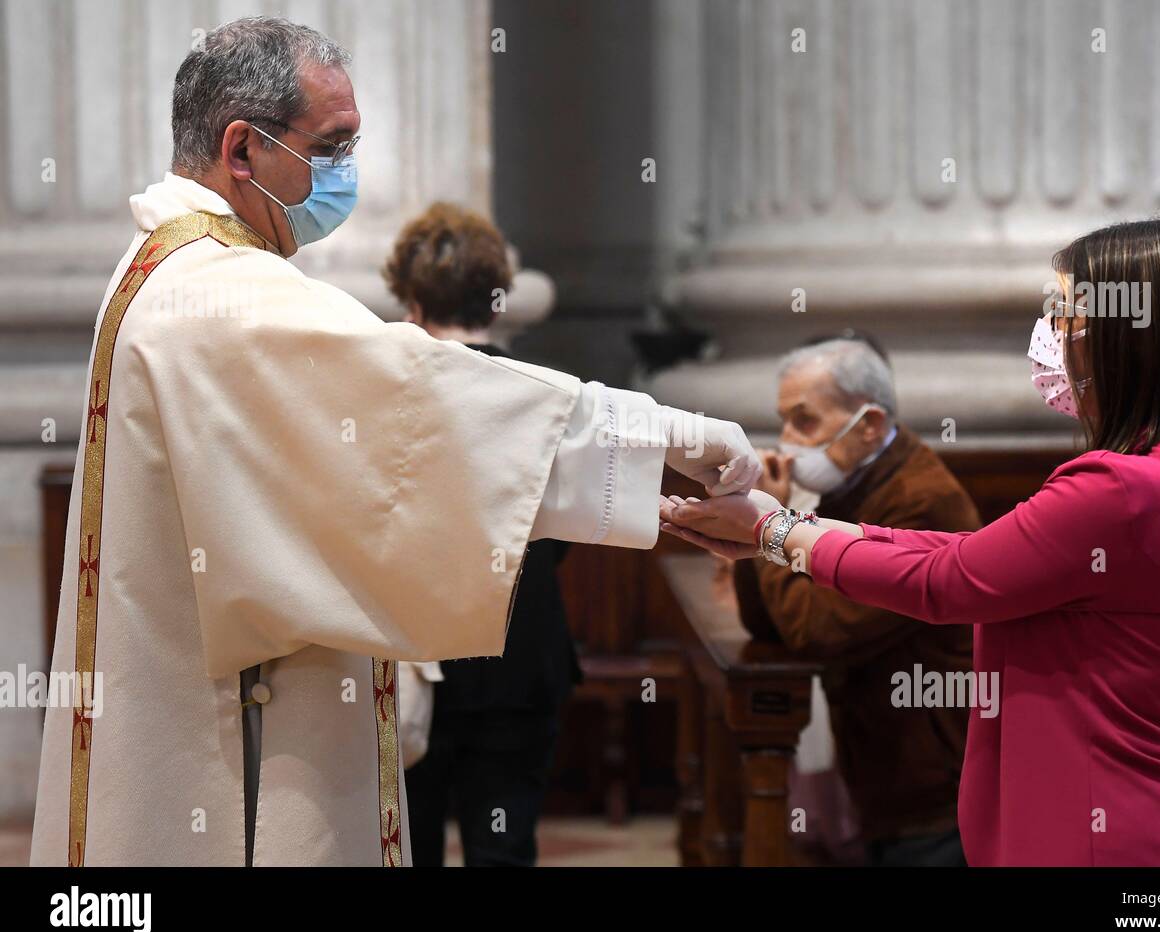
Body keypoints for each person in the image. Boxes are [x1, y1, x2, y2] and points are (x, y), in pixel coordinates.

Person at [30, 17, 759, 867]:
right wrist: (659, 434)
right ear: (241, 148)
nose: (346, 173)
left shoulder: (166, 268)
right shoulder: (213, 294)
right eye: (332, 145)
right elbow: (420, 399)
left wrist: (637, 474)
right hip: (238, 737)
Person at [661, 217, 1160, 866]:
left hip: (1108, 830)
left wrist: (773, 531)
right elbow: (953, 554)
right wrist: (784, 532)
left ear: (1130, 337)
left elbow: (949, 582)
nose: (1050, 337)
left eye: (1065, 314)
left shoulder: (1118, 490)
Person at [733, 337, 981, 866]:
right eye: (783, 421)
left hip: (934, 783)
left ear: (868, 424)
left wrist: (771, 525)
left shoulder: (917, 500)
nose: (786, 442)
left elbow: (816, 631)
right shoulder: (858, 481)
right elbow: (767, 625)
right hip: (885, 770)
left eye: (805, 422)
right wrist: (764, 531)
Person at [383, 202, 580, 866]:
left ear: (411, 301)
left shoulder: (383, 393)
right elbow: (566, 530)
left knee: (411, 849)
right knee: (504, 849)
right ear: (496, 302)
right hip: (518, 659)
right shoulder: (550, 395)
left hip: (418, 656)